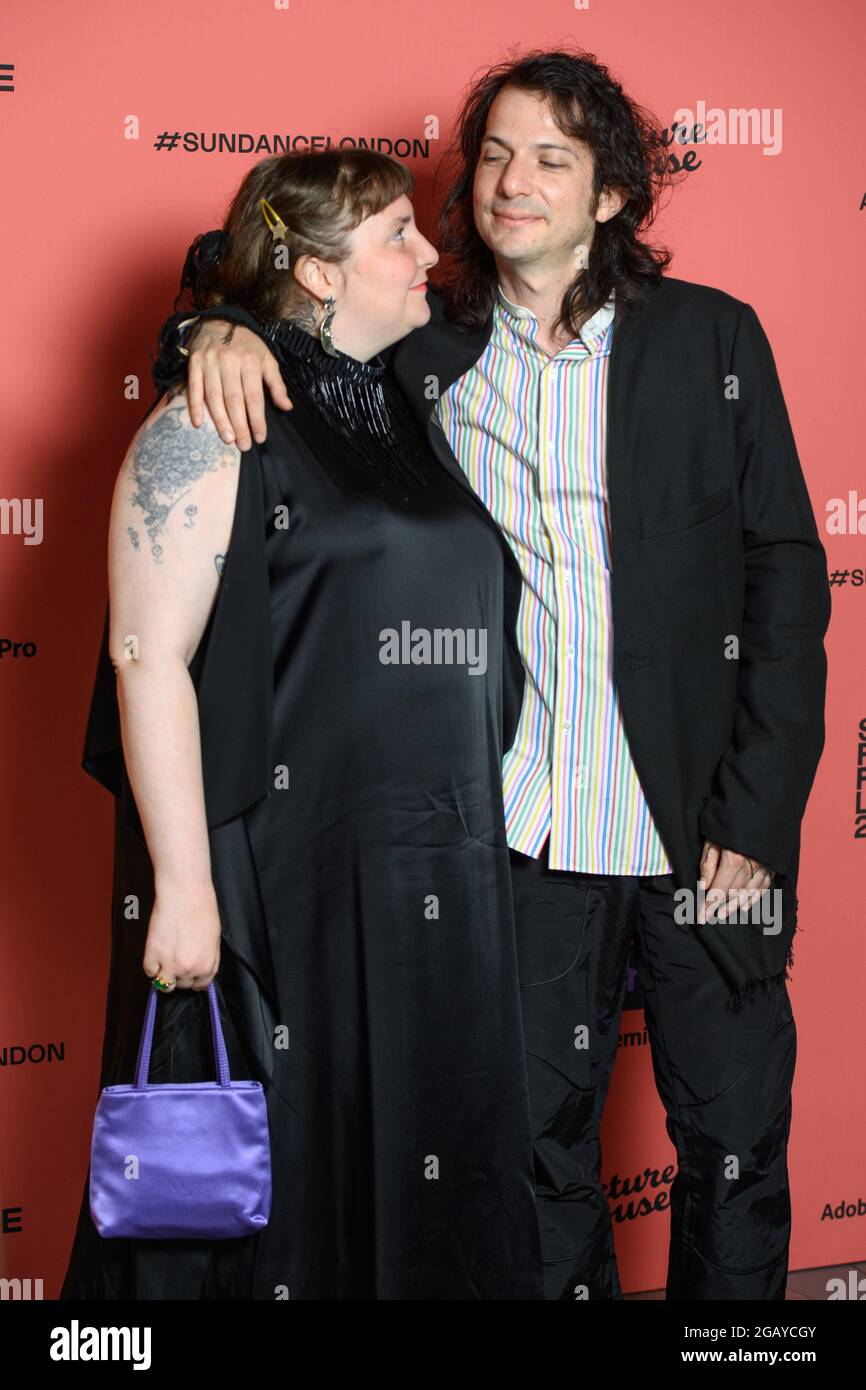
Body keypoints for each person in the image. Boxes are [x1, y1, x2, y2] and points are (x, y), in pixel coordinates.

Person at [163, 49, 831, 1301]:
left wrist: (758, 820)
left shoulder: (710, 341)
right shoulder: (425, 345)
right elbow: (275, 287)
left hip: (707, 832)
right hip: (517, 835)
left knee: (735, 1146)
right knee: (531, 1159)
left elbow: (784, 590)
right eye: (493, 154)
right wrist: (203, 328)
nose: (510, 183)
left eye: (552, 160)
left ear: (612, 196)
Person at [61, 147, 545, 1300]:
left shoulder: (404, 396)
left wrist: (209, 317)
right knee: (277, 1180)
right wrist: (184, 888)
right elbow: (147, 656)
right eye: (396, 236)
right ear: (318, 274)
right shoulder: (212, 415)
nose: (431, 255)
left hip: (436, 880)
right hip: (285, 881)